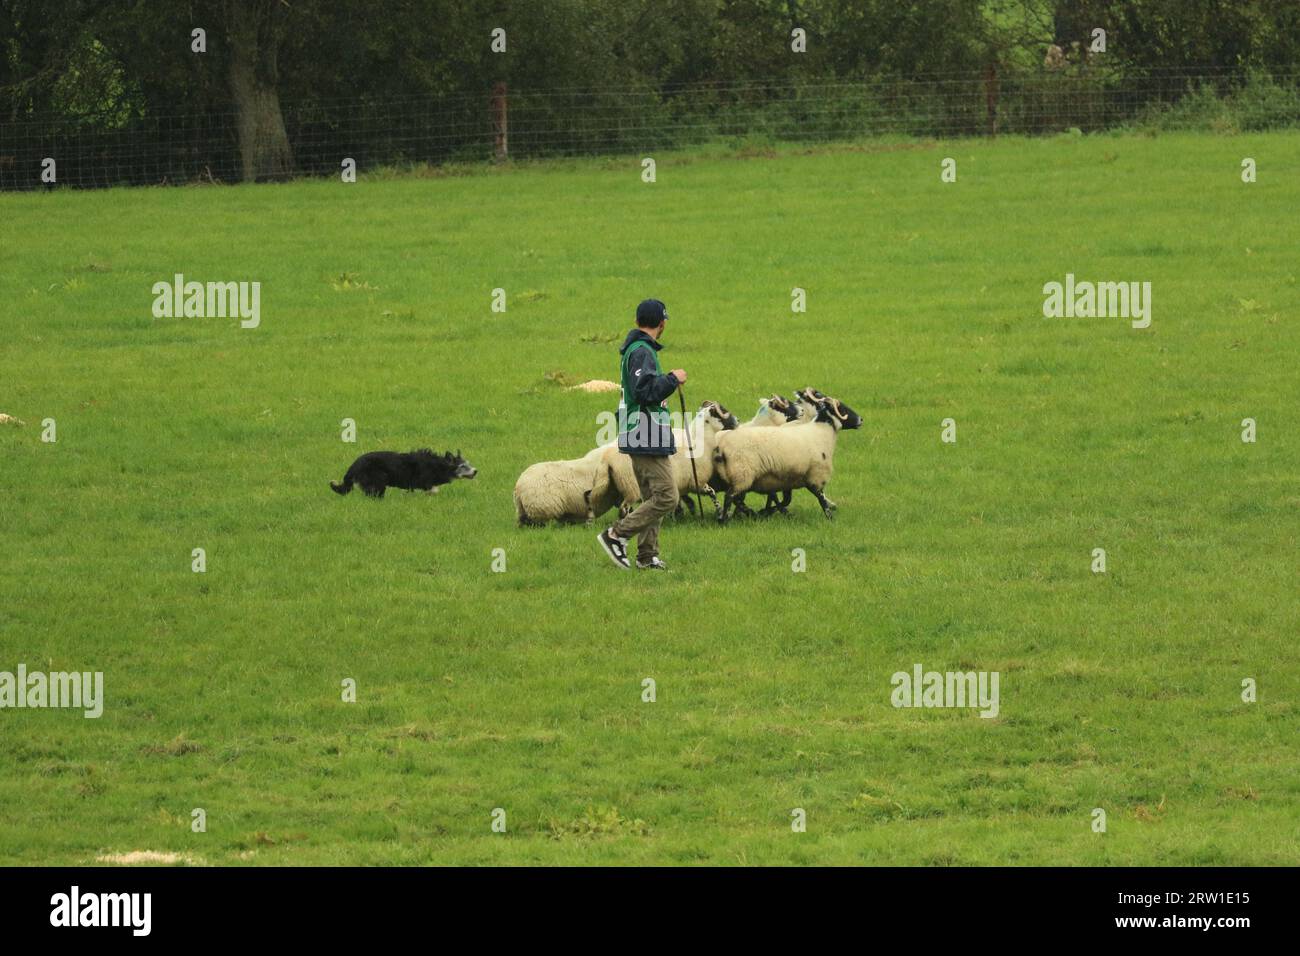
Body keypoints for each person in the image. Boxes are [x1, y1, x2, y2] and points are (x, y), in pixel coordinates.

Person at [596, 298, 687, 571]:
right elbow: (643, 391)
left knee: (653, 498)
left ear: (637, 321)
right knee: (667, 497)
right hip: (644, 431)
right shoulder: (641, 351)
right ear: (662, 323)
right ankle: (616, 535)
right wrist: (672, 378)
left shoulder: (639, 349)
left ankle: (647, 557)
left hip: (643, 432)